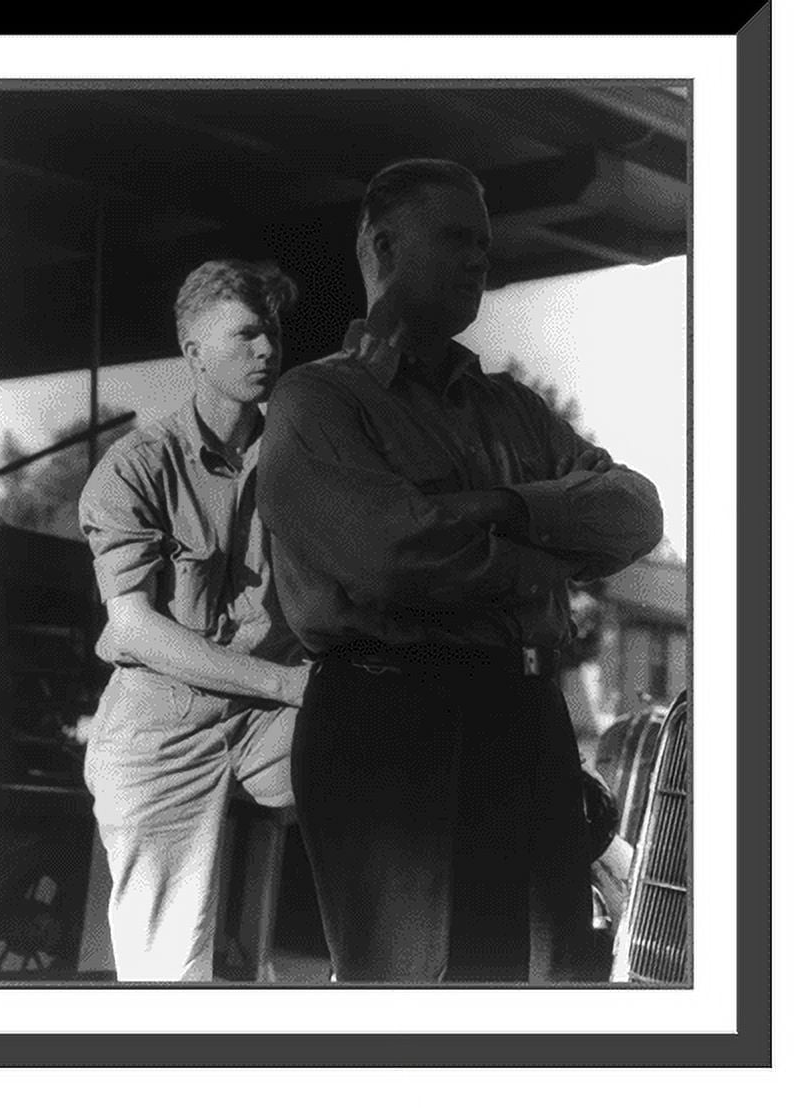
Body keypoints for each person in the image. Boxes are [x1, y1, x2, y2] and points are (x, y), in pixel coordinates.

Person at [256, 159, 664, 984]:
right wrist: (543, 557)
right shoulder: (318, 403)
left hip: (523, 719)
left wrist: (505, 510)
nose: (481, 258)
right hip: (391, 724)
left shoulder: (512, 410)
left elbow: (634, 511)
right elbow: (388, 558)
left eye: (484, 242)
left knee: (547, 986)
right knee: (422, 998)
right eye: (454, 238)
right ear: (379, 246)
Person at [78, 259, 311, 982]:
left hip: (263, 728)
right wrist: (286, 682)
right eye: (245, 335)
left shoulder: (303, 463)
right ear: (193, 355)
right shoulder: (136, 469)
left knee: (387, 740)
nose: (267, 350)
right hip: (161, 732)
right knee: (169, 979)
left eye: (271, 333)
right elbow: (137, 628)